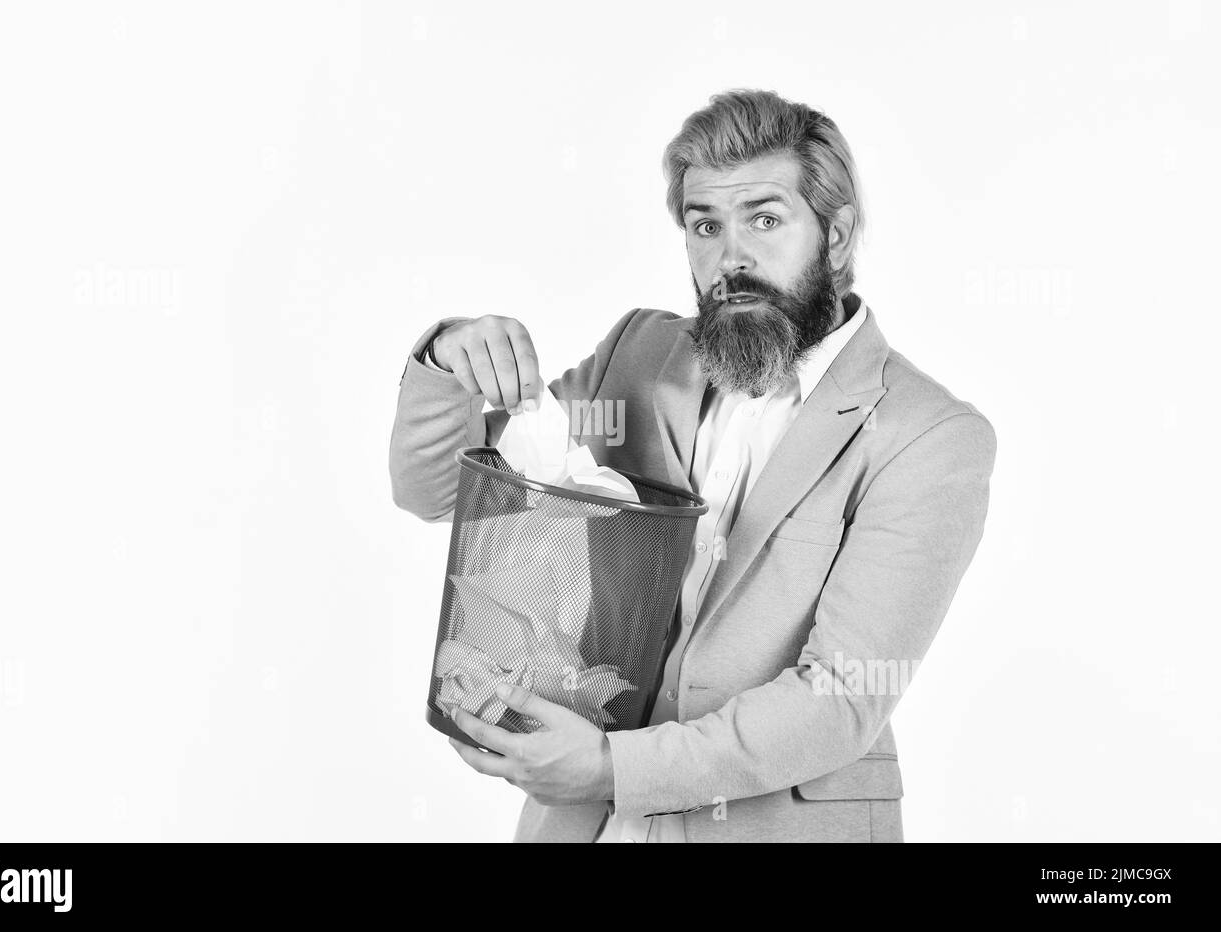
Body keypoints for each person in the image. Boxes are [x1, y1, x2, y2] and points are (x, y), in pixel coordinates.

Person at [388, 88, 996, 842]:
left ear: (836, 236)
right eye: (705, 225)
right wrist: (446, 359)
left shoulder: (928, 436)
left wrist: (615, 767)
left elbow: (840, 699)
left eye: (765, 220)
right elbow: (441, 491)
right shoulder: (640, 356)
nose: (729, 257)